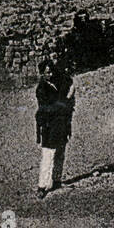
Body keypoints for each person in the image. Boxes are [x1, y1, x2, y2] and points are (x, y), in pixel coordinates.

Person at [35, 59, 75, 198]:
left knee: (60, 152)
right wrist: (64, 103)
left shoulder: (58, 83)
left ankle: (56, 180)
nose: (50, 74)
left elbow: (68, 82)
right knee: (48, 155)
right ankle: (42, 186)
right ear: (42, 74)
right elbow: (47, 108)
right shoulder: (41, 89)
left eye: (51, 71)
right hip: (49, 126)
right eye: (47, 73)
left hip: (61, 124)